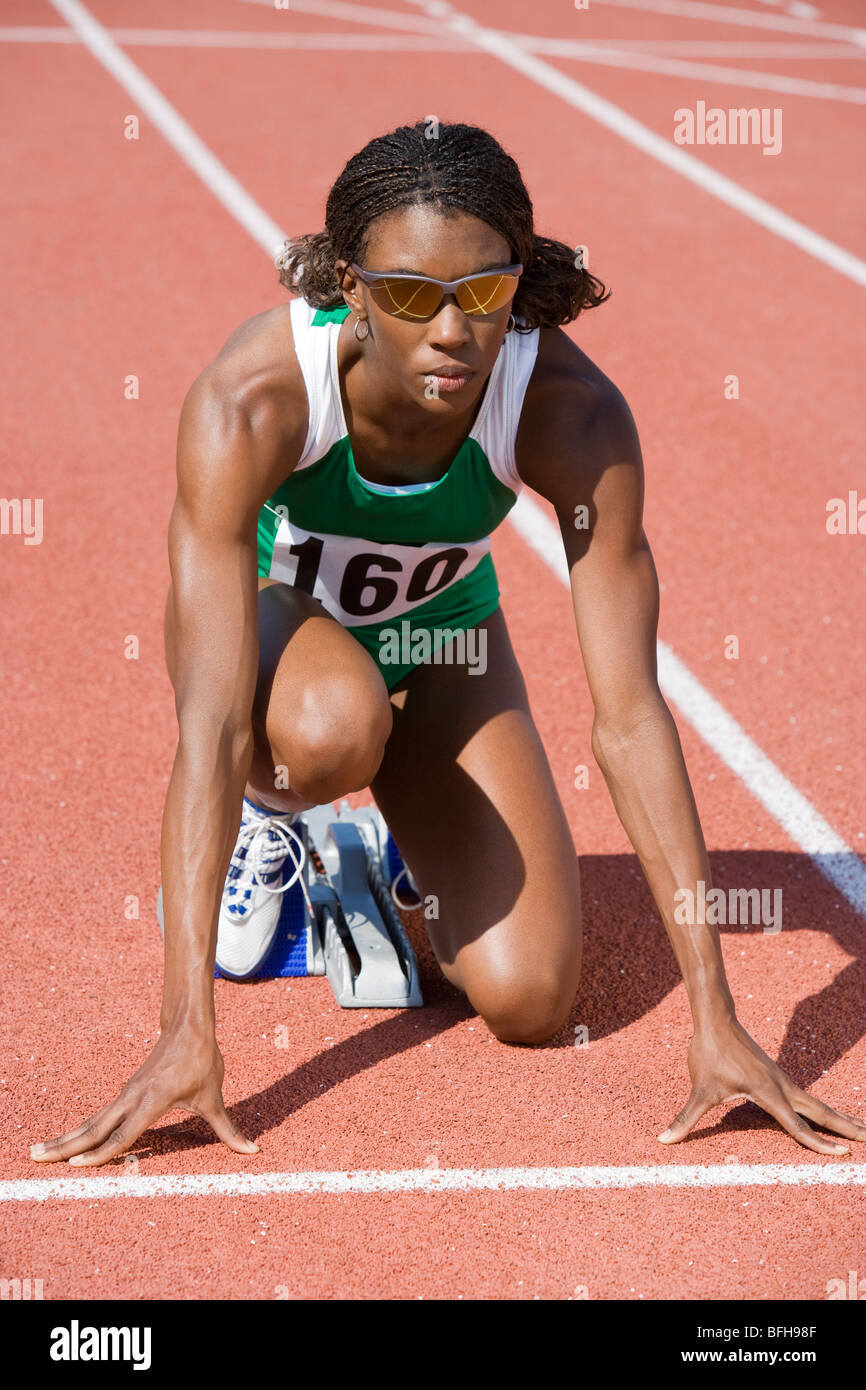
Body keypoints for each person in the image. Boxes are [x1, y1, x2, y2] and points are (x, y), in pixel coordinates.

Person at [31, 120, 864, 1168]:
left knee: (530, 998)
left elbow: (629, 713)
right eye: (410, 295)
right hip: (282, 655)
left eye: (481, 293)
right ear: (348, 285)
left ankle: (394, 863)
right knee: (331, 727)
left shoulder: (568, 412)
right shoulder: (255, 400)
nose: (451, 332)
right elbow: (205, 721)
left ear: (518, 282)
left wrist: (716, 1014)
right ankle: (275, 826)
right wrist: (183, 1031)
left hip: (443, 645)